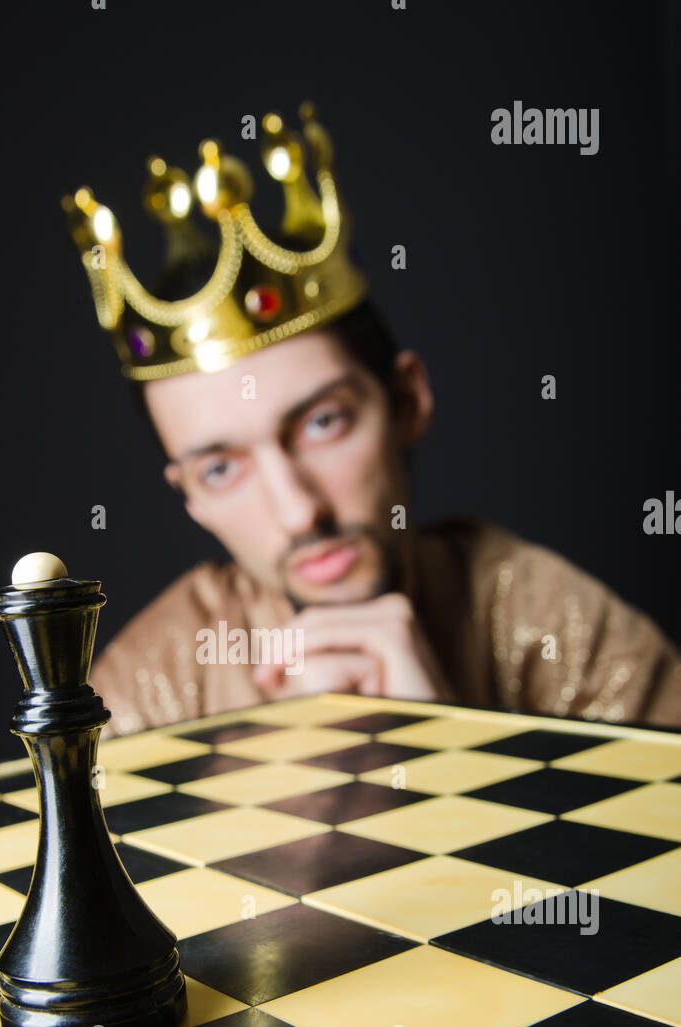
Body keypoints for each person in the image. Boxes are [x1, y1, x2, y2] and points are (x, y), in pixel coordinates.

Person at [62, 106, 681, 737]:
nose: (301, 512)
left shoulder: (564, 633)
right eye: (221, 469)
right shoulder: (136, 699)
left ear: (407, 401)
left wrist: (453, 754)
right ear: (190, 496)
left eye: (323, 423)